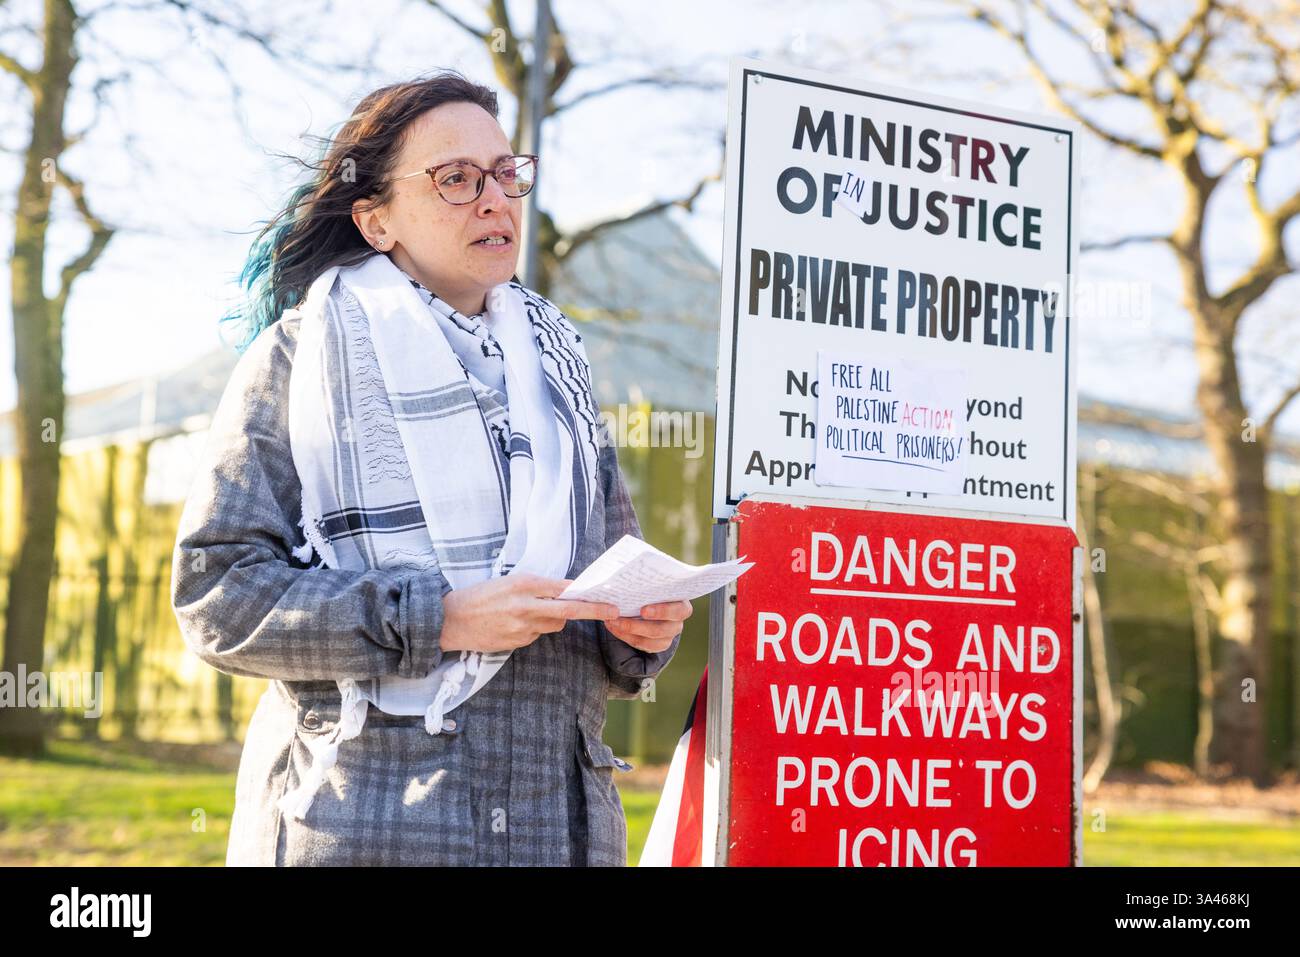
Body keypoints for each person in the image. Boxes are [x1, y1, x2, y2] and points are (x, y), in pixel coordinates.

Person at [170, 71, 690, 866]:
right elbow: (217, 594)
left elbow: (605, 589)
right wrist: (436, 617)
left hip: (555, 835)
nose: (495, 199)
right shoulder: (299, 361)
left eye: (506, 173)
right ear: (376, 220)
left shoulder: (564, 376)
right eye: (456, 179)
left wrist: (637, 629)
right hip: (370, 829)